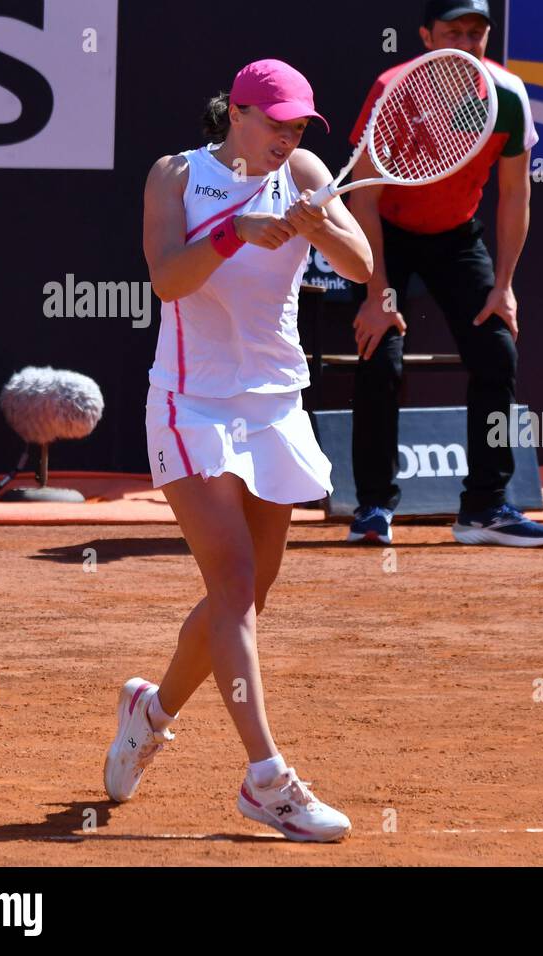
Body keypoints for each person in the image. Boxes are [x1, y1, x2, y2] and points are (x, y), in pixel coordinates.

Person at [104, 59, 373, 842]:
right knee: (233, 583)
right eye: (277, 123)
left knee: (245, 600)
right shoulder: (175, 177)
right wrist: (234, 232)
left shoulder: (308, 172)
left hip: (275, 405)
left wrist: (321, 222)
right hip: (191, 403)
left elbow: (361, 266)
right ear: (238, 115)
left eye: (299, 128)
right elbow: (167, 282)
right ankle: (267, 780)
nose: (289, 138)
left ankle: (148, 714)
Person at [345, 0, 543, 548]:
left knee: (496, 350)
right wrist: (377, 293)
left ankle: (484, 509)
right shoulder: (393, 88)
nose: (466, 42)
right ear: (425, 36)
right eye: (453, 31)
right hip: (384, 233)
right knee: (379, 352)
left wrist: (505, 286)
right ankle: (372, 508)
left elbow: (515, 194)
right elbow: (363, 200)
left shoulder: (508, 96)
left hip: (456, 236)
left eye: (477, 32)